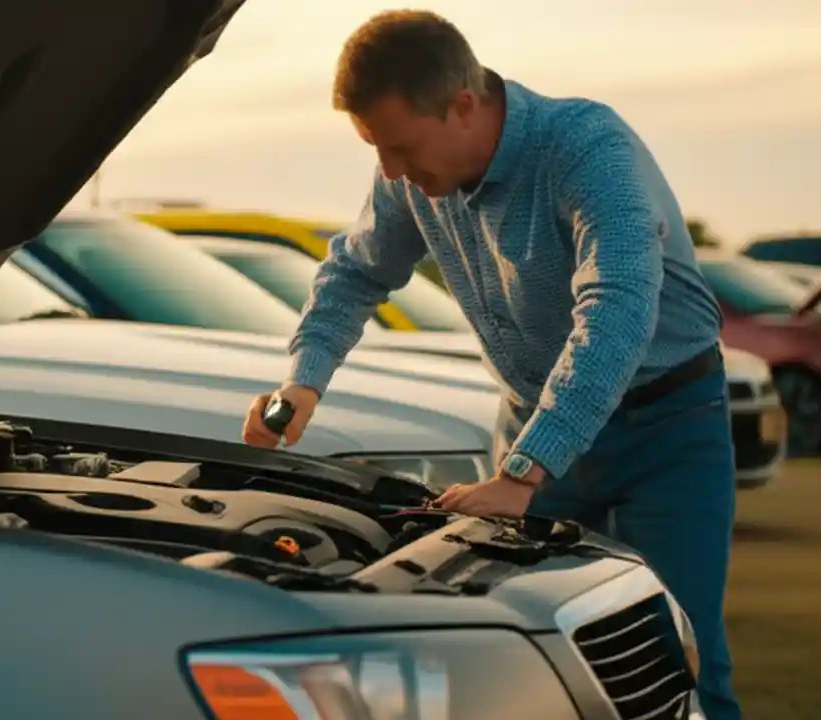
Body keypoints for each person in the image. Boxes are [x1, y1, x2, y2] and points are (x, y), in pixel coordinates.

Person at [240, 10, 742, 719]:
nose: (390, 171)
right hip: (532, 424)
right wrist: (304, 380)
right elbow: (355, 273)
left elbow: (618, 304)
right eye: (377, 150)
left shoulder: (587, 147)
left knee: (680, 661)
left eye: (400, 147)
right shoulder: (409, 175)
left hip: (667, 425)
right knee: (524, 659)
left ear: (465, 105)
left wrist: (524, 471)